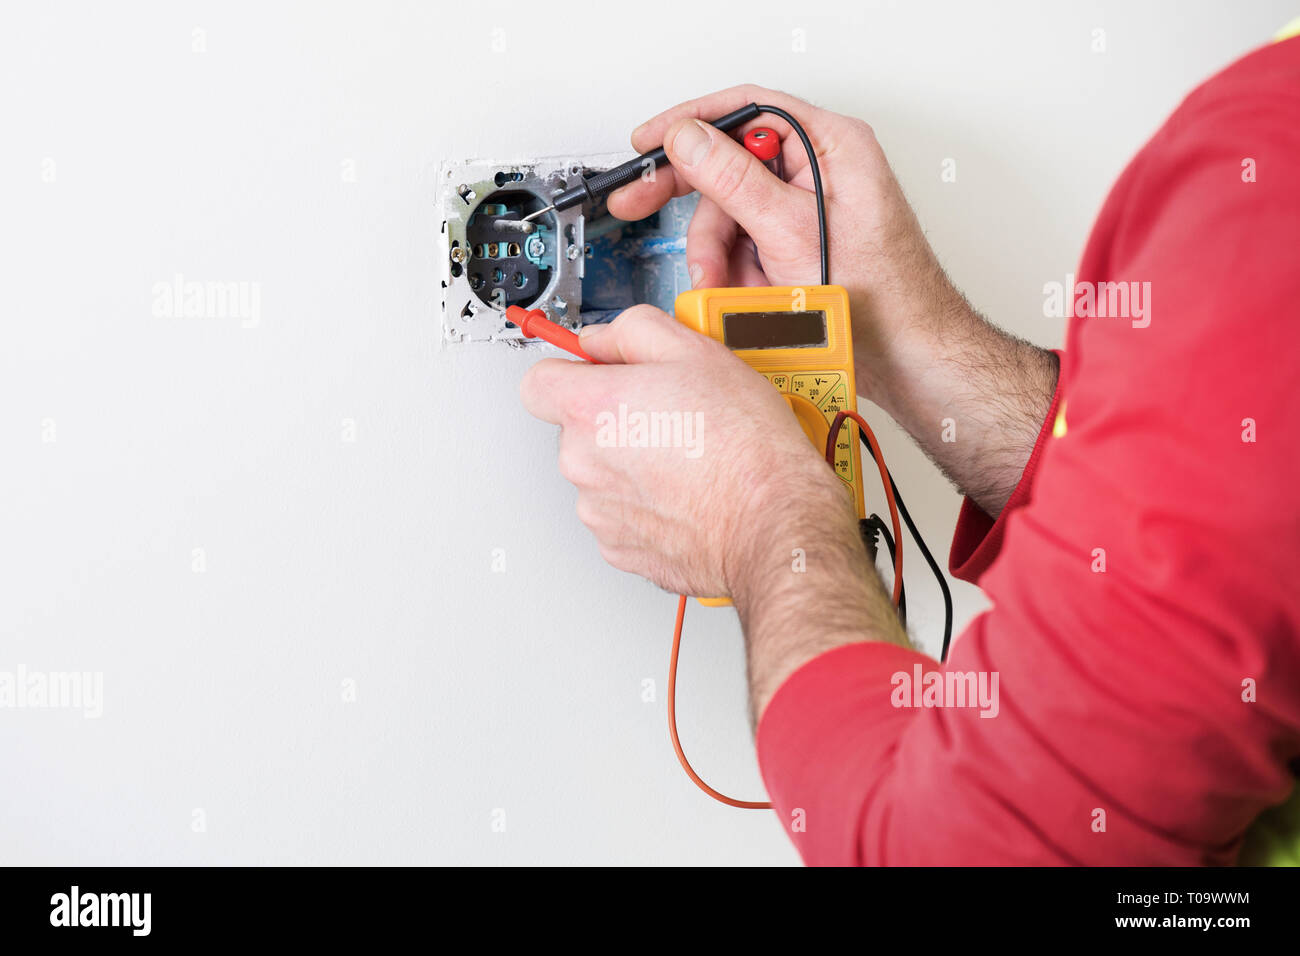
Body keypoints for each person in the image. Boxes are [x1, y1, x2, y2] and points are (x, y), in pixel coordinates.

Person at [519, 30, 1300, 866]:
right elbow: (1239, 544)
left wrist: (762, 517)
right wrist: (906, 341)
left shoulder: (1269, 156)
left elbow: (962, 850)